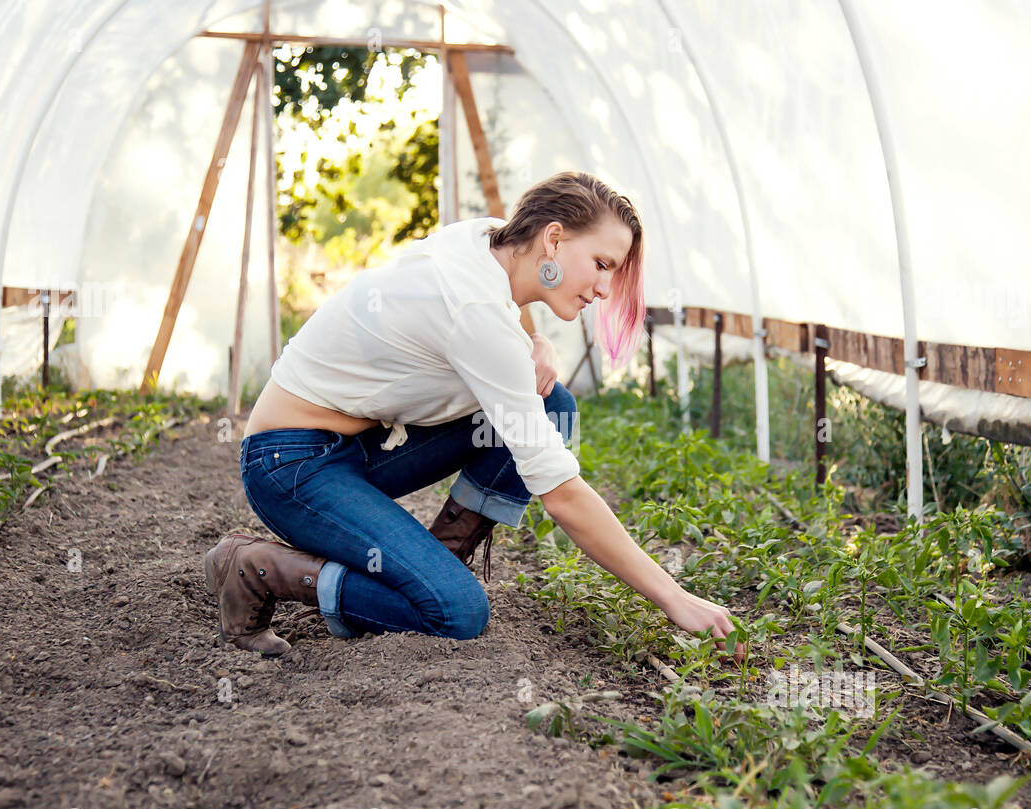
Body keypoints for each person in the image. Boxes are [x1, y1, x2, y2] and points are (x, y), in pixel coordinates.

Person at [204, 171, 737, 658]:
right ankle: (258, 569)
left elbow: (505, 316)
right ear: (553, 239)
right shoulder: (475, 311)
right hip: (289, 465)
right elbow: (564, 496)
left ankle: (438, 559)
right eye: (601, 264)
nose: (604, 287)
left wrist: (540, 342)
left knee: (552, 406)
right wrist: (673, 596)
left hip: (357, 446)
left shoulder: (490, 239)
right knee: (458, 612)